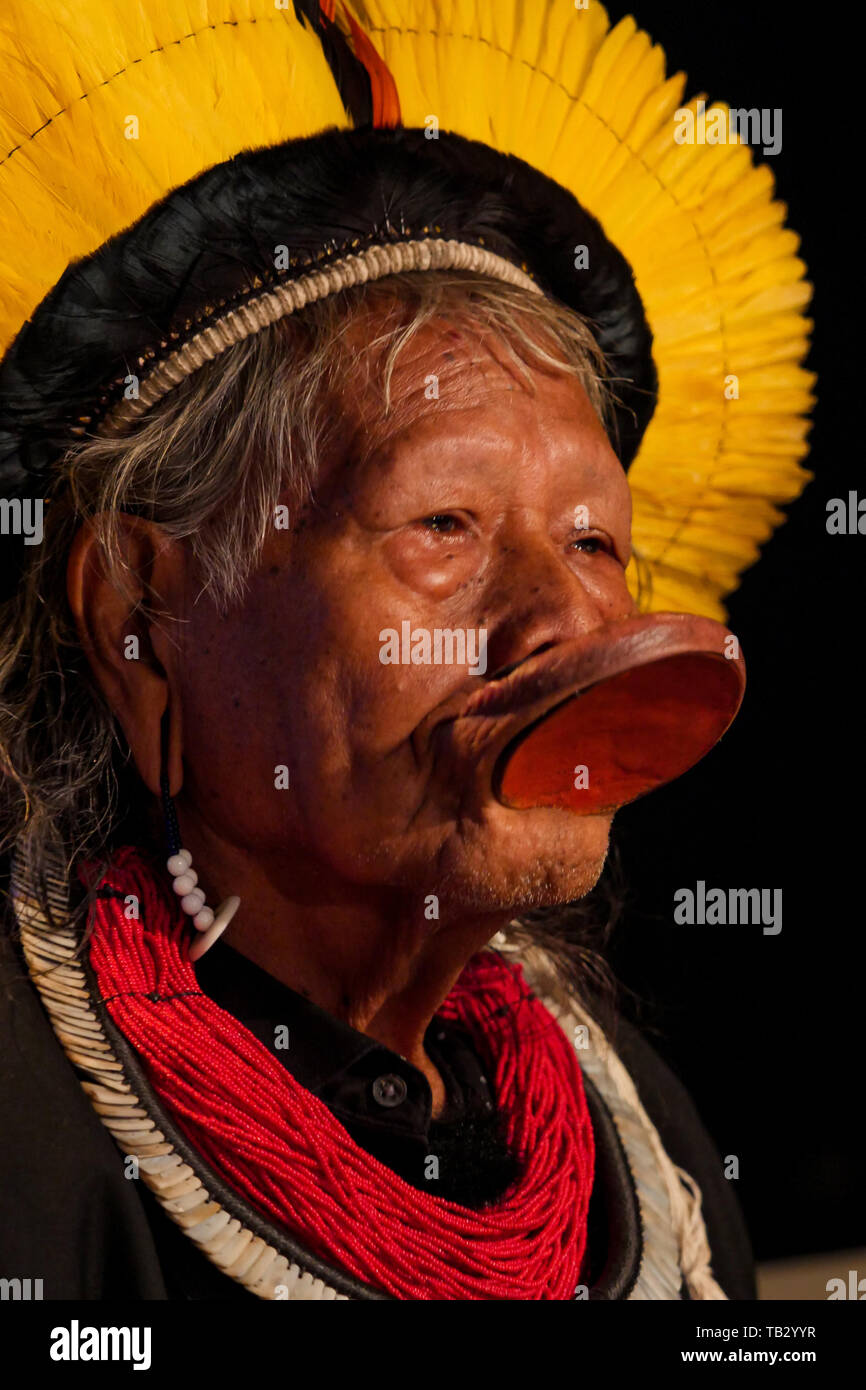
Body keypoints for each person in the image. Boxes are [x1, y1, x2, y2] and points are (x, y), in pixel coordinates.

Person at [0, 0, 813, 1302]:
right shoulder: (32, 1142)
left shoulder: (638, 1144)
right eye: (443, 521)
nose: (565, 621)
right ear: (138, 614)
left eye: (595, 540)